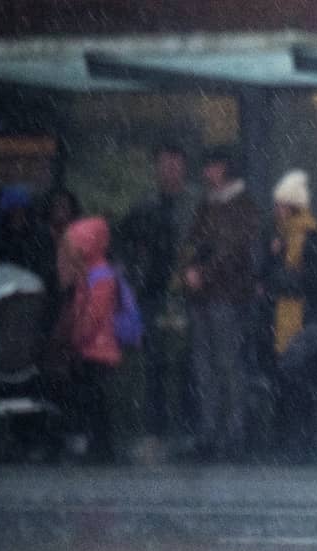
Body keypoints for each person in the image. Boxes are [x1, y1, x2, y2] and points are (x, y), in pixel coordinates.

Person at [116, 141, 199, 450]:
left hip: (185, 294)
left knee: (189, 362)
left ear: (184, 167)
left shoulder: (195, 203)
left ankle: (189, 430)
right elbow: (124, 241)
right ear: (157, 167)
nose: (170, 170)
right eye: (164, 164)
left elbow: (205, 243)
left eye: (175, 164)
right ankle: (156, 429)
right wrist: (132, 272)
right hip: (151, 292)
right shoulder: (144, 205)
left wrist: (195, 270)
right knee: (154, 363)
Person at [179, 146, 259, 461]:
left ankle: (233, 432)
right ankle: (210, 432)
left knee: (226, 365)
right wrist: (189, 269)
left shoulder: (242, 206)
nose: (206, 173)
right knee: (205, 367)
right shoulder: (207, 205)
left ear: (224, 169)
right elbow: (193, 242)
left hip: (226, 295)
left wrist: (203, 273)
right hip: (204, 296)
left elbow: (234, 249)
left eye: (211, 167)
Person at [261, 170, 317, 463]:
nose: (276, 210)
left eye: (281, 205)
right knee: (290, 381)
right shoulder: (281, 237)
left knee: (300, 383)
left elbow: (310, 280)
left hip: (302, 321)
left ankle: (300, 441)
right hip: (287, 320)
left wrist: (279, 277)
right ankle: (292, 439)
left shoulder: (309, 236)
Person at [54, 217, 122, 462]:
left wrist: (76, 336)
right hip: (92, 348)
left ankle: (101, 446)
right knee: (92, 399)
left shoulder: (99, 275)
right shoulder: (92, 272)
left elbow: (93, 315)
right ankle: (98, 444)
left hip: (97, 349)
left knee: (94, 399)